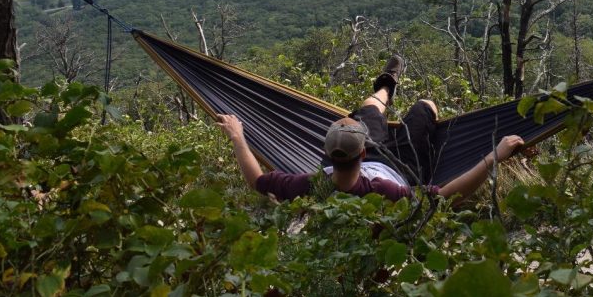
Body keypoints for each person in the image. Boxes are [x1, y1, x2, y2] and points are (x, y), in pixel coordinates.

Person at [217, 56, 524, 202]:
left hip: (367, 156)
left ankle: (386, 86)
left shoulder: (309, 183)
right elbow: (440, 196)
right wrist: (493, 157)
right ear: (361, 151)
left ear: (326, 154)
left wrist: (238, 136)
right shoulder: (381, 190)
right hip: (401, 167)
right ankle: (387, 96)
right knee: (425, 106)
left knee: (369, 109)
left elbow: (256, 180)